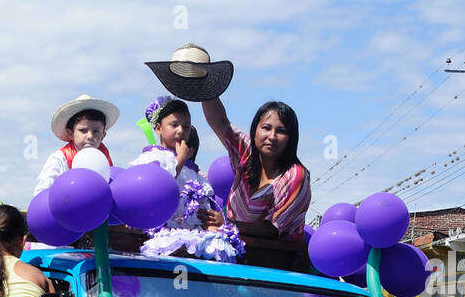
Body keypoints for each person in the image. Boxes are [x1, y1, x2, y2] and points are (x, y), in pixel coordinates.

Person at [200, 98, 311, 240]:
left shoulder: (294, 175)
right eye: (266, 128)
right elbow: (220, 122)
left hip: (276, 257)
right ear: (255, 130)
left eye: (281, 131)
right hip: (235, 246)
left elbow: (272, 229)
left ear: (291, 138)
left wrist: (228, 224)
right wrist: (204, 84)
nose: (272, 136)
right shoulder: (247, 152)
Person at [128, 97, 213, 230]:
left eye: (186, 127)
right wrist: (180, 160)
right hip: (160, 231)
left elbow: (204, 204)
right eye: (174, 125)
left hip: (191, 233)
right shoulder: (153, 157)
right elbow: (158, 189)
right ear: (158, 128)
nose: (181, 131)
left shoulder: (191, 168)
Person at [33, 95, 120, 195]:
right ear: (70, 134)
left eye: (96, 131)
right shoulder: (59, 159)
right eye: (83, 130)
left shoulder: (105, 159)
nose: (90, 136)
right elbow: (42, 193)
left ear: (103, 135)